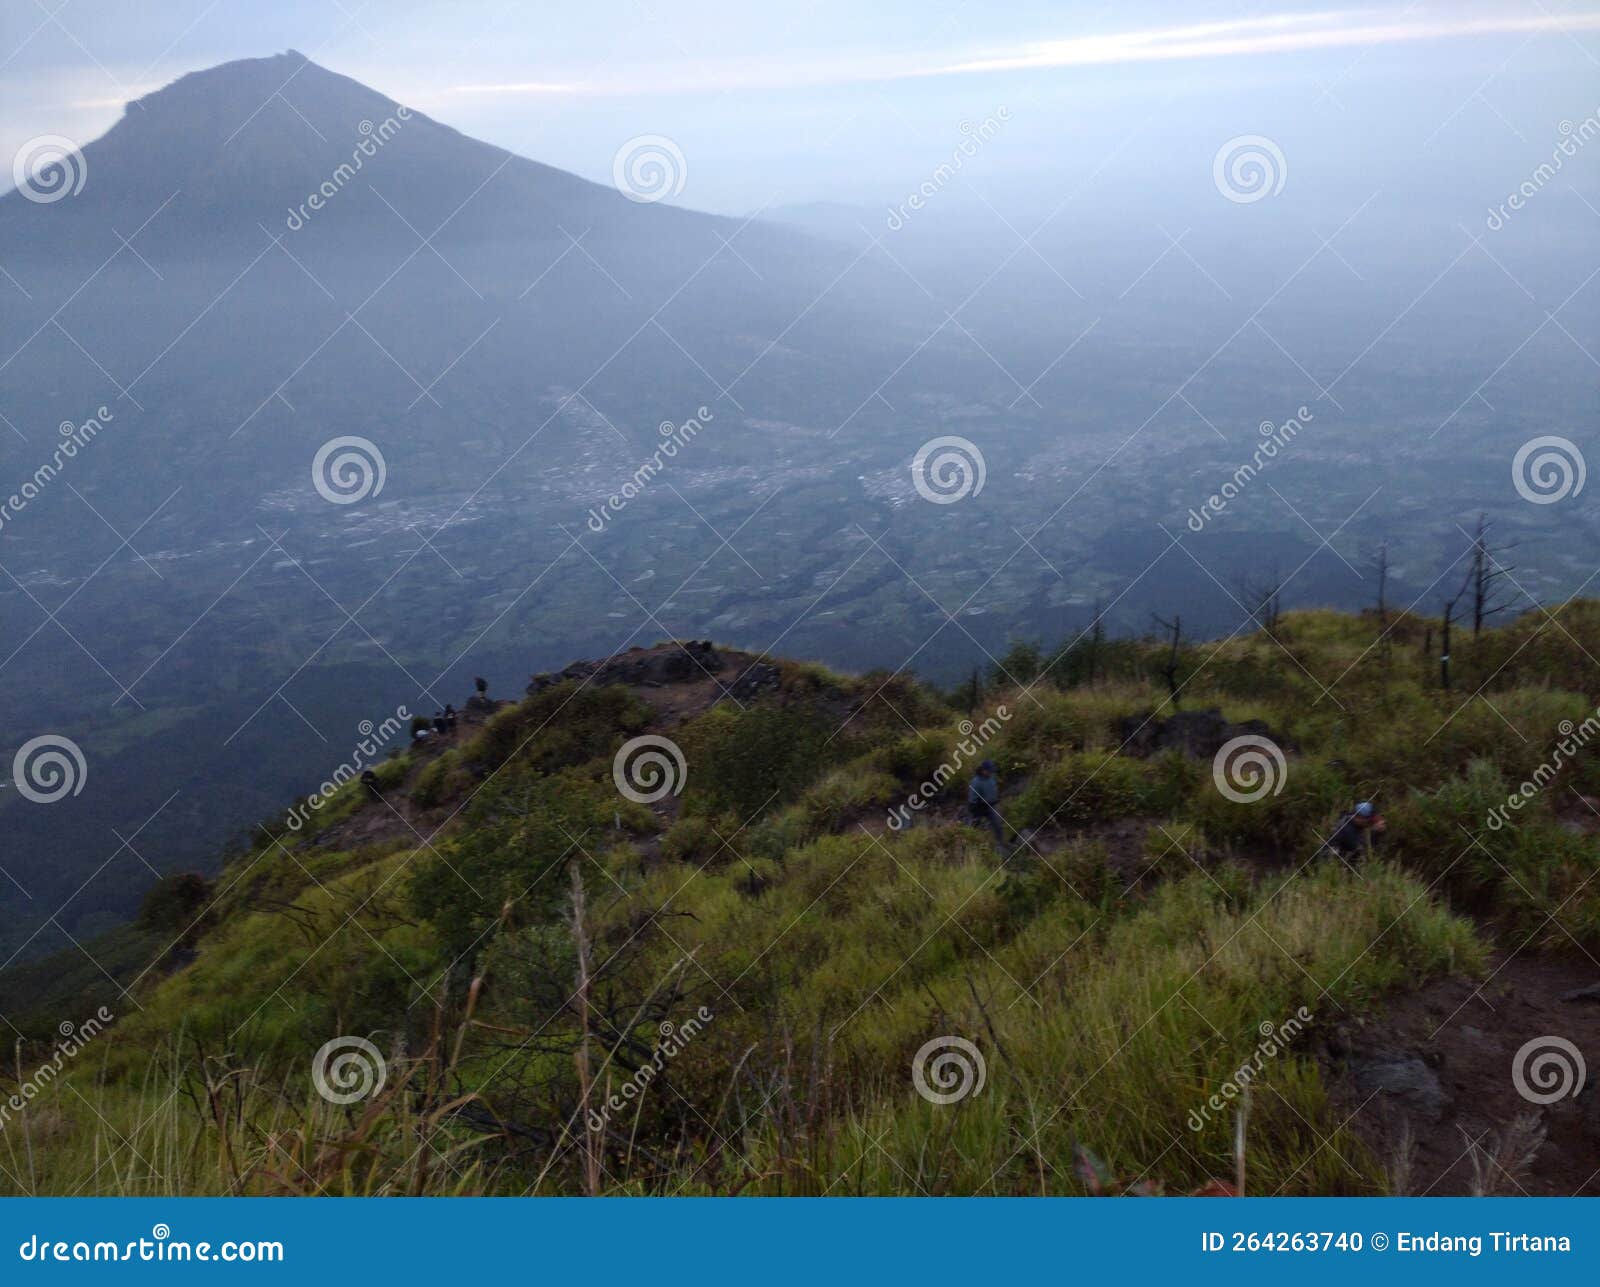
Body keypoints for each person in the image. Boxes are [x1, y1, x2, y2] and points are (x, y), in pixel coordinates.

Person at [967, 760, 1005, 851]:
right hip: (978, 808)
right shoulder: (976, 782)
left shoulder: (992, 777)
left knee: (998, 825)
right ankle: (968, 844)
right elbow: (972, 799)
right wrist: (975, 811)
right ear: (983, 770)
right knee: (973, 827)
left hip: (991, 806)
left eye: (992, 771)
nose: (991, 773)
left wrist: (996, 799)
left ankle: (1000, 845)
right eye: (989, 771)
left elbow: (995, 788)